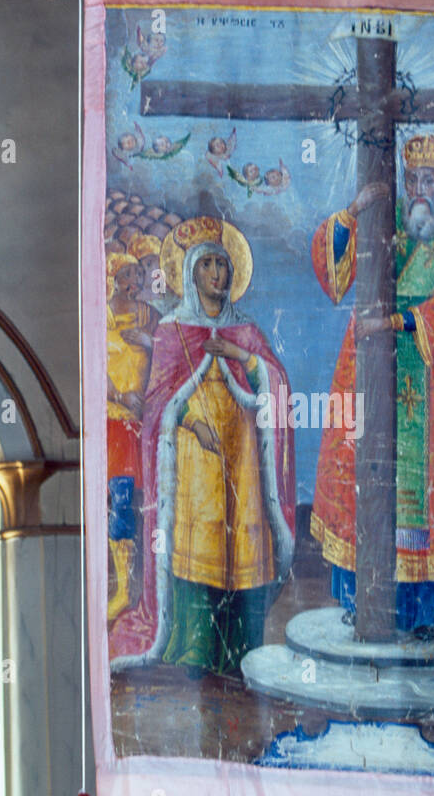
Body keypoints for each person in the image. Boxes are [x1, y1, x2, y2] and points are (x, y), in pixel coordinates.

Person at [310, 133, 434, 636]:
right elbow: (334, 279)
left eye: (429, 180)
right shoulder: (385, 223)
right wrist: (352, 214)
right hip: (371, 371)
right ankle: (366, 603)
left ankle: (432, 616)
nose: (419, 189)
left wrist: (394, 324)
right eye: (413, 179)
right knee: (366, 477)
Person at [110, 217, 295, 677]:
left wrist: (242, 358)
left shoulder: (247, 332)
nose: (217, 273)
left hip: (243, 461)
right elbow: (155, 404)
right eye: (207, 264)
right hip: (192, 465)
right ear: (191, 273)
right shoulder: (174, 331)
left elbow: (276, 384)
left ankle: (241, 649)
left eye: (223, 264)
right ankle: (194, 647)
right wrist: (191, 420)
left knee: (240, 553)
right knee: (197, 552)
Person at [105, 253, 159, 621]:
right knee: (120, 500)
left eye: (138, 273)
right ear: (112, 275)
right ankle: (124, 588)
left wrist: (150, 342)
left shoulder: (147, 316)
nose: (134, 279)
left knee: (149, 503)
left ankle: (147, 592)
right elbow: (93, 361)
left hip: (145, 424)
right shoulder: (101, 314)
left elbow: (172, 355)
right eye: (127, 273)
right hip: (114, 421)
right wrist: (119, 395)